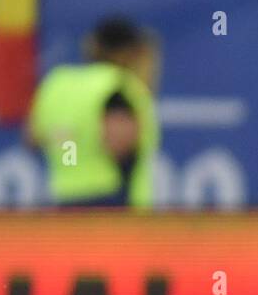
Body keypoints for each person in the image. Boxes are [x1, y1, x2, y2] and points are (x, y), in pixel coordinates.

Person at [27, 17, 160, 208]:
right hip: (110, 199)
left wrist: (69, 143)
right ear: (128, 52)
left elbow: (31, 137)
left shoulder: (57, 82)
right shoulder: (117, 84)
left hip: (63, 198)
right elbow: (118, 142)